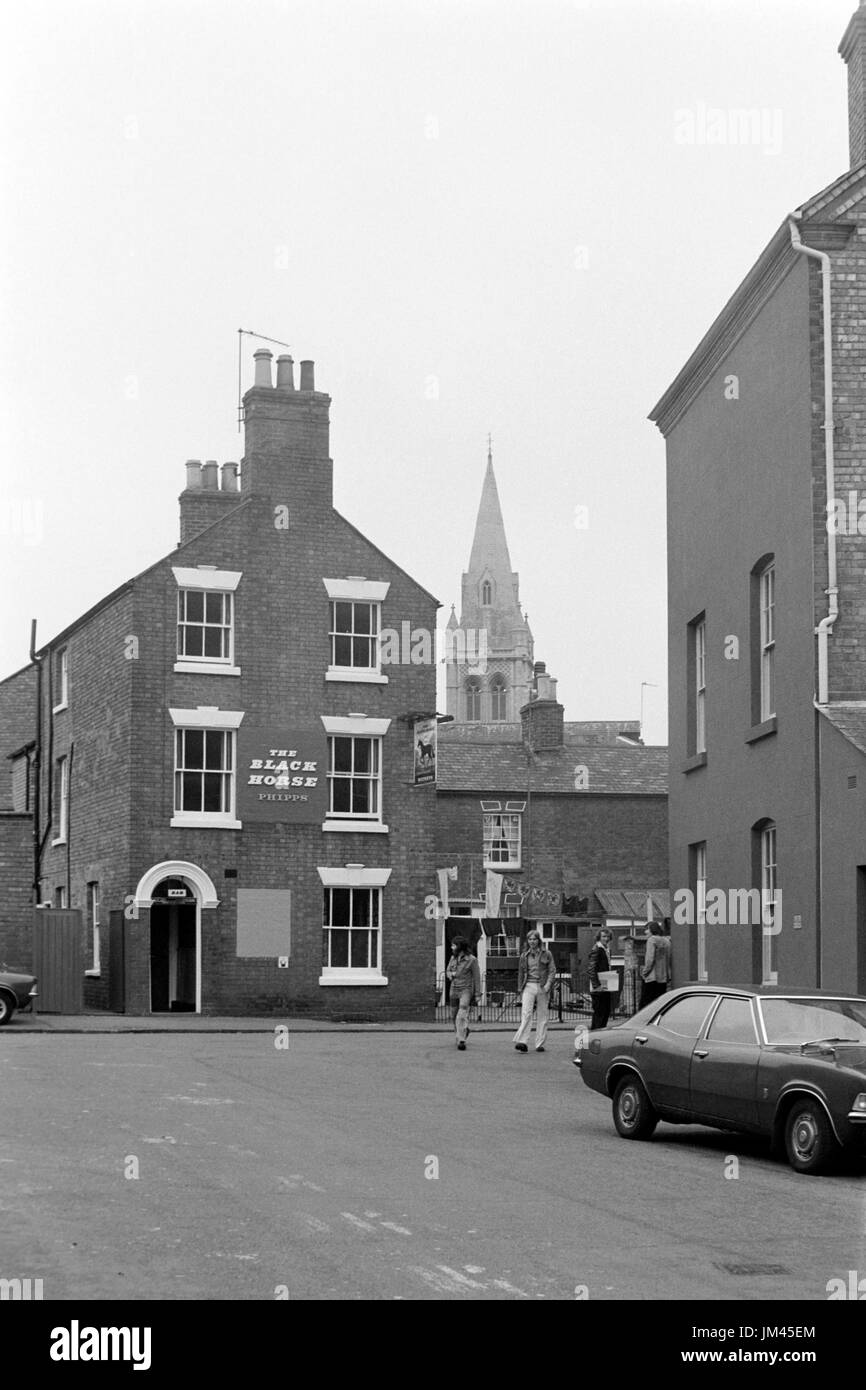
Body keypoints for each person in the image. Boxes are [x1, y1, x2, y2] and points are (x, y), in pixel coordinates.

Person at [513, 929, 557, 1053]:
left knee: (542, 1015)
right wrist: (519, 988)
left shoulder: (546, 953)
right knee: (526, 1014)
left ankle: (539, 1043)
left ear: (538, 940)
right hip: (528, 986)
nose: (532, 941)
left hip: (542, 986)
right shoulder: (524, 955)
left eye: (534, 939)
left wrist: (548, 984)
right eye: (530, 939)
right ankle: (522, 1041)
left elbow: (552, 970)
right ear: (528, 941)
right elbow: (521, 973)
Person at [446, 936, 481, 1051]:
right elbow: (448, 971)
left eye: (454, 945)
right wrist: (450, 974)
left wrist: (477, 993)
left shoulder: (472, 960)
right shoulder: (453, 958)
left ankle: (461, 1040)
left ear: (459, 946)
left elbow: (477, 977)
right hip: (453, 989)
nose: (452, 947)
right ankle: (463, 1031)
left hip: (466, 989)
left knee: (462, 1013)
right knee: (454, 1015)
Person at [640, 920, 671, 1009]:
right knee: (659, 1004)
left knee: (646, 1004)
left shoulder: (651, 940)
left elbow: (650, 959)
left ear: (652, 930)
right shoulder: (667, 941)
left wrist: (644, 972)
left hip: (652, 977)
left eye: (647, 929)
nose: (645, 932)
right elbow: (668, 958)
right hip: (663, 977)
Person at [588, 929, 614, 1030]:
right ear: (599, 937)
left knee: (605, 1012)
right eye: (603, 936)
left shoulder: (606, 948)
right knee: (599, 1013)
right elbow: (591, 969)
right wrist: (597, 986)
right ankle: (595, 1036)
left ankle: (600, 1035)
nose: (606, 939)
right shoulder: (597, 949)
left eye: (607, 937)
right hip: (599, 986)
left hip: (606, 983)